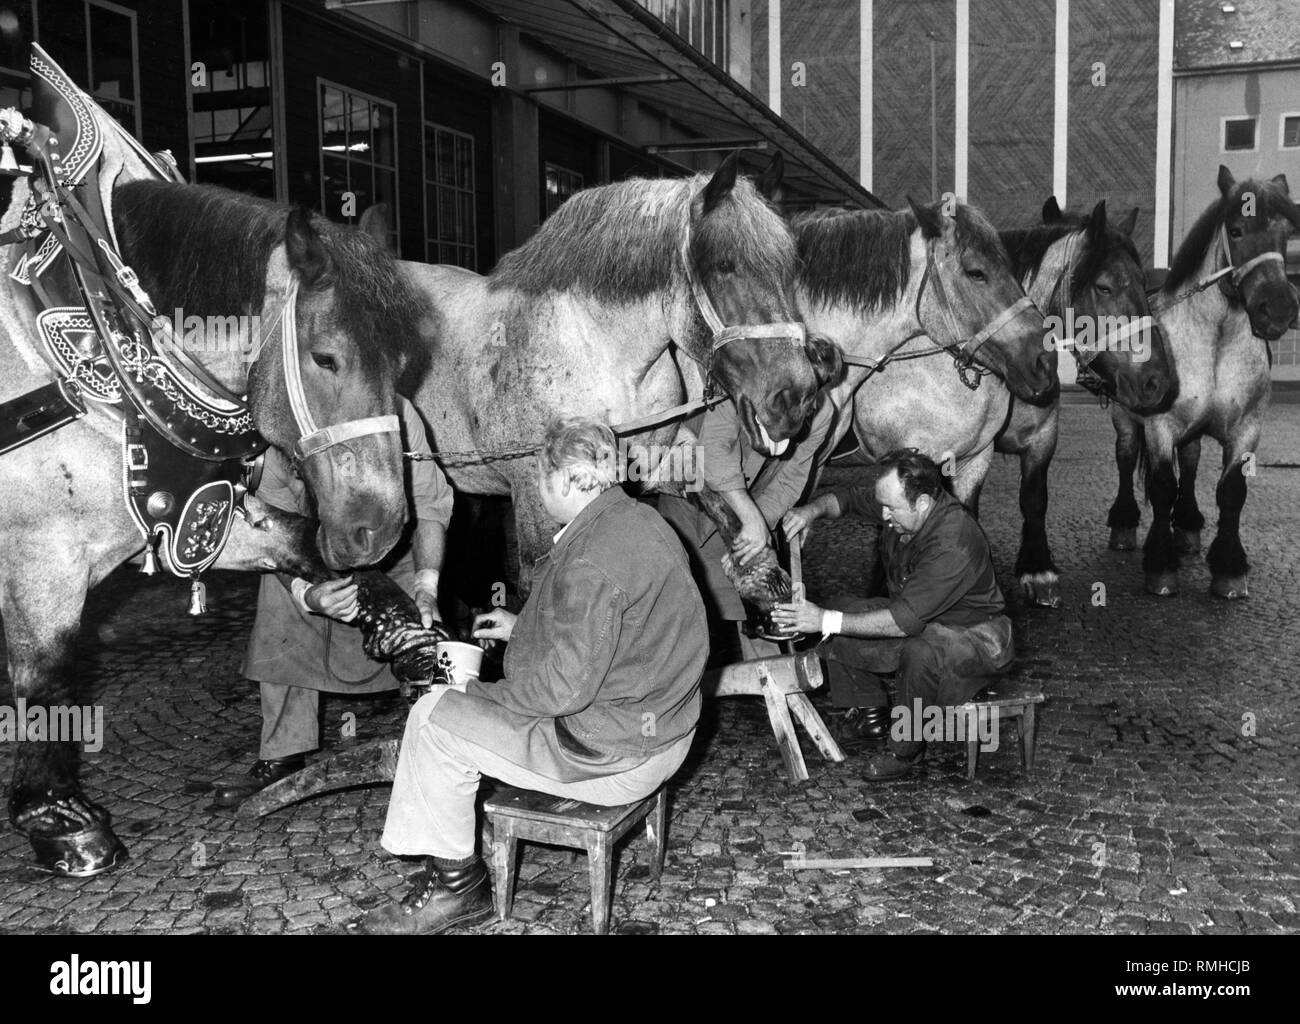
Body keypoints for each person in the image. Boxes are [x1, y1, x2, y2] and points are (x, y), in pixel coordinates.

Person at [355, 417, 708, 935]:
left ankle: (458, 890)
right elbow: (620, 633)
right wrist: (524, 627)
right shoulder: (640, 521)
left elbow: (561, 690)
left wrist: (471, 691)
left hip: (615, 755)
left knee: (433, 719)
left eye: (540, 479)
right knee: (456, 710)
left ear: (566, 480)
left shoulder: (591, 558)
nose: (537, 492)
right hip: (667, 730)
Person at [211, 397, 453, 807]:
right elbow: (276, 534)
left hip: (396, 555)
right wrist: (310, 595)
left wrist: (426, 587)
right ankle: (282, 753)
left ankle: (441, 743)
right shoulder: (275, 434)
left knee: (429, 629)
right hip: (317, 556)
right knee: (278, 591)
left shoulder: (399, 413)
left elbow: (431, 508)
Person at [772, 449, 1014, 781]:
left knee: (919, 651)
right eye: (883, 505)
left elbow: (901, 623)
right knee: (844, 608)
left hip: (978, 638)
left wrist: (823, 619)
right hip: (926, 623)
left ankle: (906, 752)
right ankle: (869, 716)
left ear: (924, 503)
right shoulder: (902, 503)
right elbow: (848, 498)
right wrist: (810, 512)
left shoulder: (953, 540)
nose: (884, 515)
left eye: (891, 508)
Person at [658, 394, 835, 641]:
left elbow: (790, 479)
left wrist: (754, 535)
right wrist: (748, 522)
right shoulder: (741, 382)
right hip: (692, 491)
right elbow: (714, 451)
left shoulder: (823, 411)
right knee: (678, 607)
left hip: (753, 501)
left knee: (755, 598)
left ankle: (769, 658)